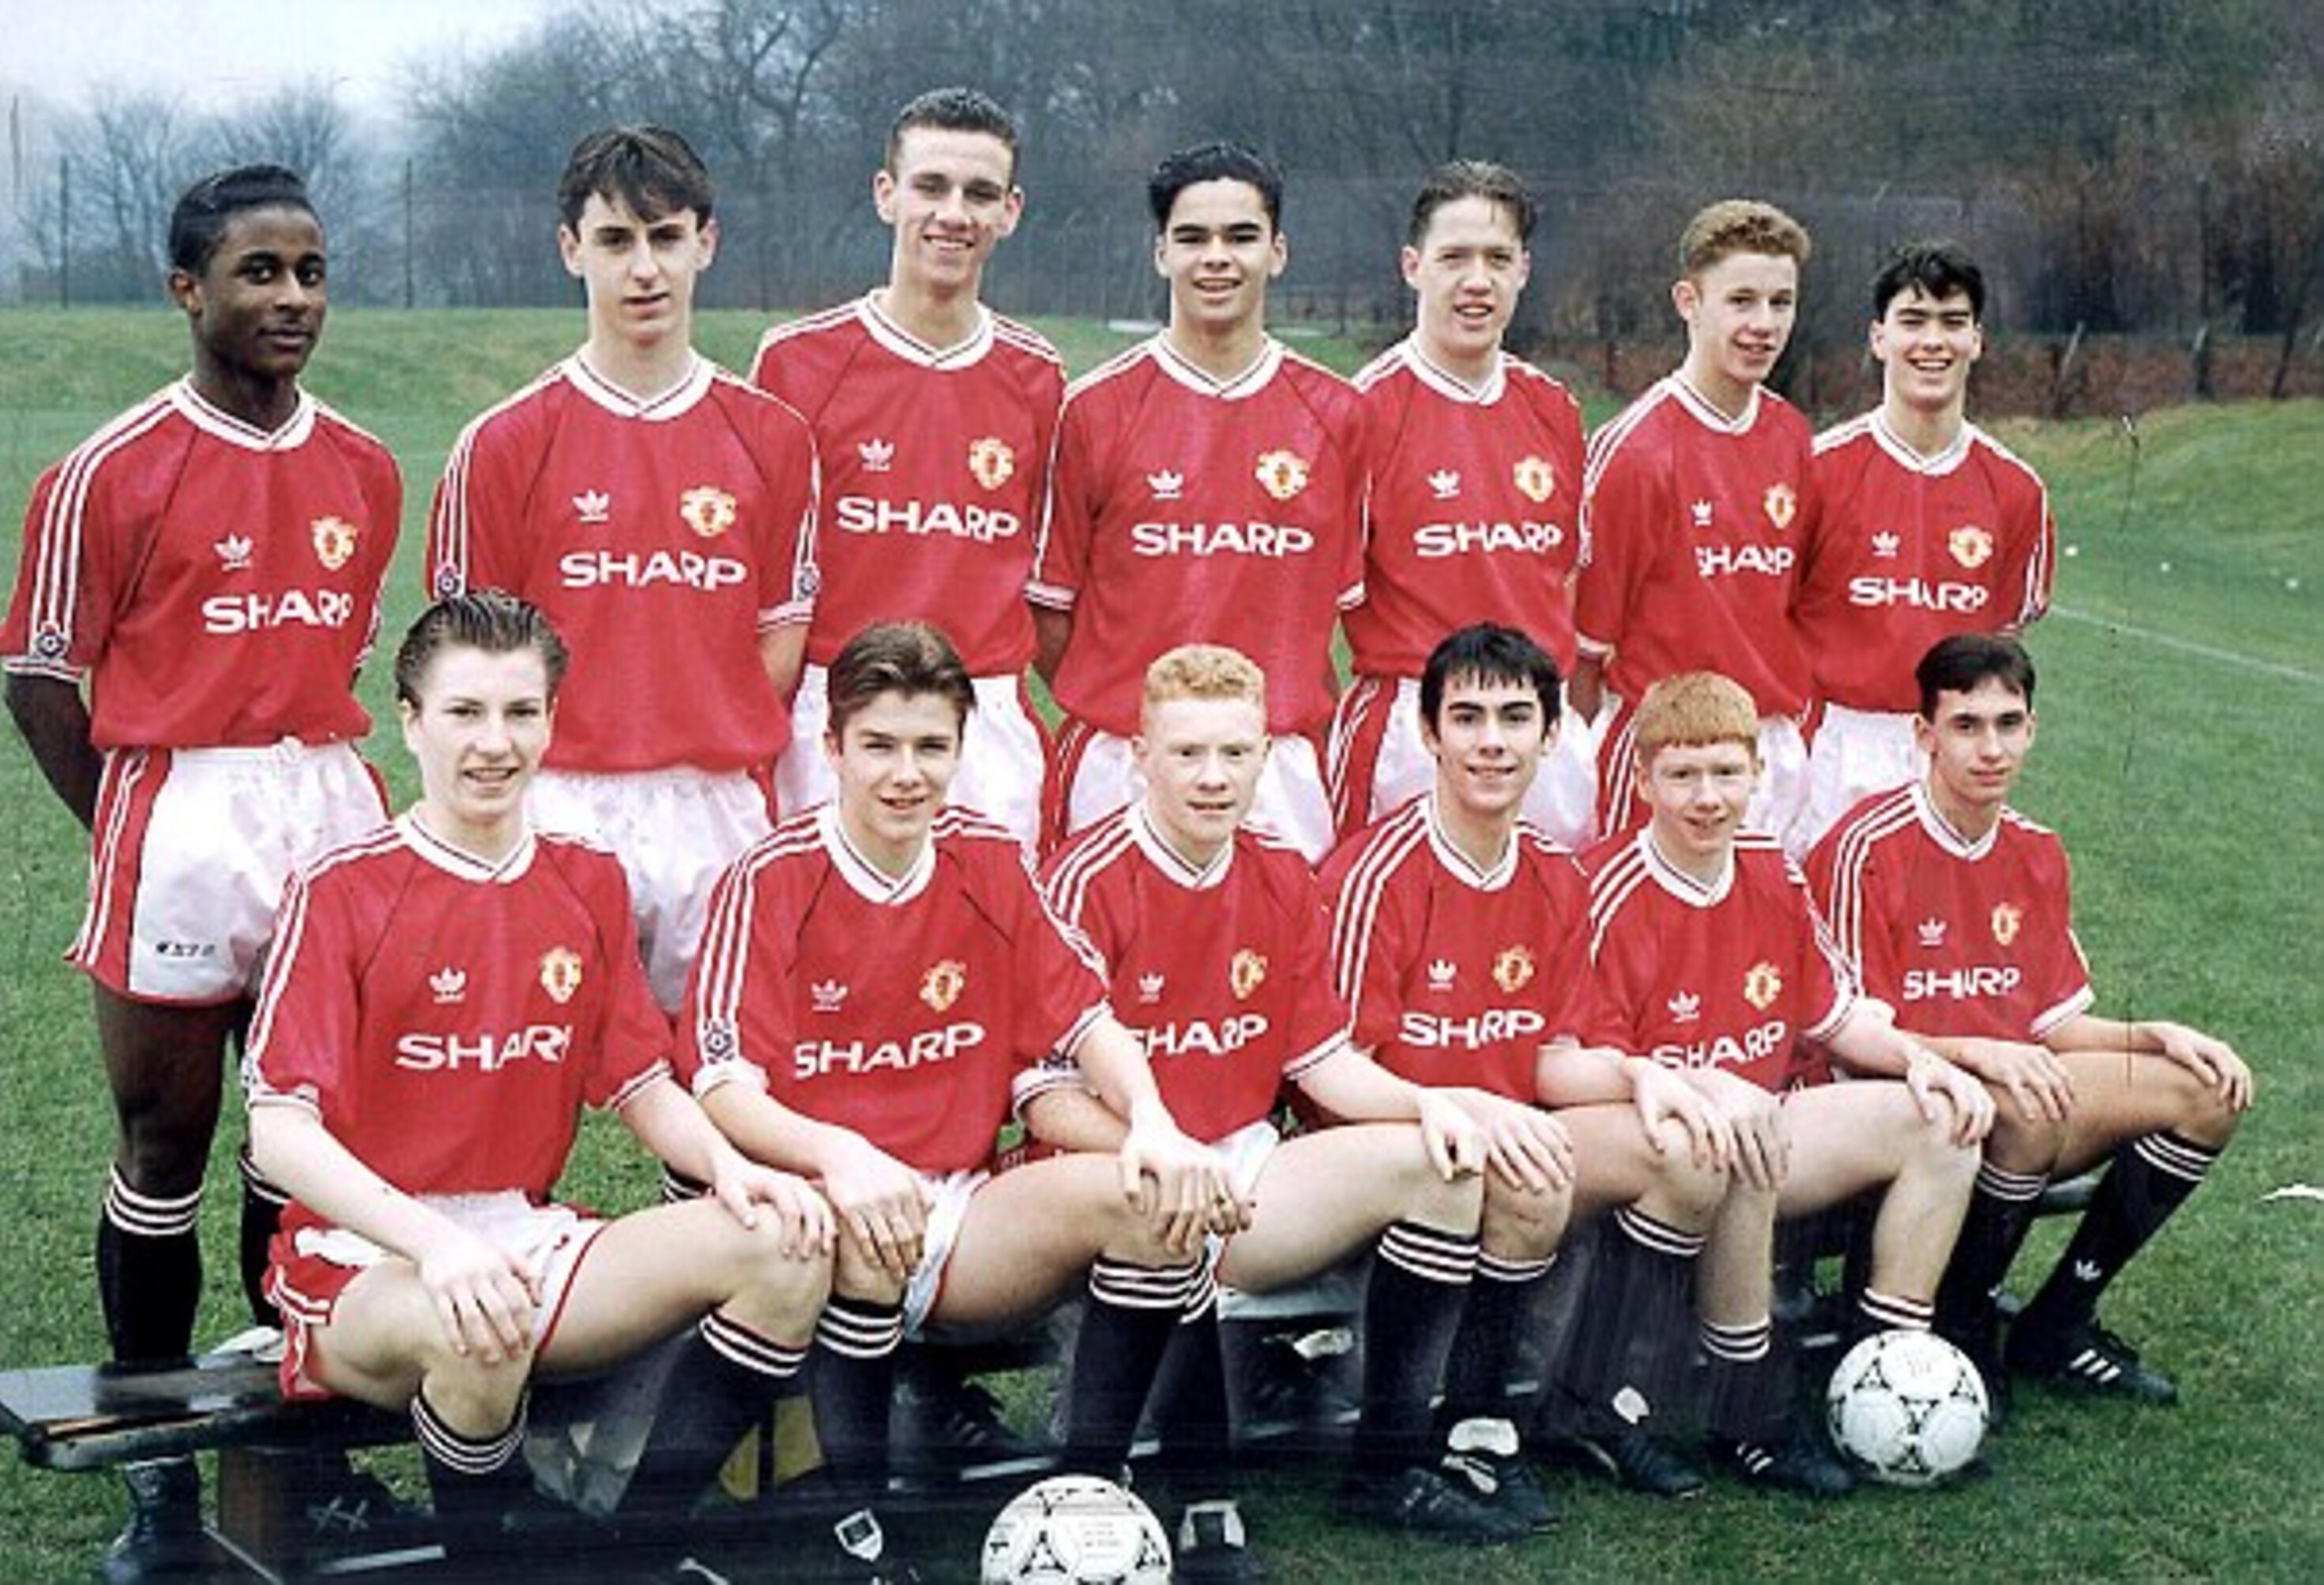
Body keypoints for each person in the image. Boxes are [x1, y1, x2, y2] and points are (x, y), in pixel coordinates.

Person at [0, 163, 403, 1579]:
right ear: (187, 290)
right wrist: (133, 830)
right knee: (165, 1145)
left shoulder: (364, 466)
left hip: (323, 802)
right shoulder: (107, 470)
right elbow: (39, 683)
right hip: (178, 808)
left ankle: (302, 1443)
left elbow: (347, 654)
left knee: (314, 1145)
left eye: (310, 272)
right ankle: (156, 1470)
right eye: (258, 273)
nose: (292, 298)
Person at [244, 592, 837, 1575]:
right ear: (410, 722)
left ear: (553, 721)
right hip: (364, 1259)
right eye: (465, 712)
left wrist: (731, 1167)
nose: (495, 742)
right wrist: (435, 1244)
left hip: (522, 1236)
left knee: (785, 1244)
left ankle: (630, 1553)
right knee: (478, 1324)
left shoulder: (585, 878)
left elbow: (641, 1078)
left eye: (521, 712)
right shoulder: (342, 886)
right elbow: (278, 1130)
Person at [684, 622, 1248, 1582]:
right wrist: (839, 1155)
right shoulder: (771, 876)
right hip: (806, 1209)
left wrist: (1153, 1122)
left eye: (931, 746)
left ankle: (1084, 1505)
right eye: (879, 744)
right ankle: (857, 1532)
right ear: (832, 746)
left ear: (959, 748)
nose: (906, 773)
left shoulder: (989, 860)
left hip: (957, 1208)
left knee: (1153, 1201)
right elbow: (723, 1086)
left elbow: (1087, 1019)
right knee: (865, 1229)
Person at [1032, 644, 1517, 1551]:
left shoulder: (1282, 873)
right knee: (1164, 1208)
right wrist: (1161, 1149)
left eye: (1234, 752)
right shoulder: (1081, 879)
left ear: (1265, 754)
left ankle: (1386, 1467)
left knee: (1442, 1166)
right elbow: (1045, 1098)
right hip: (1103, 1171)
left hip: (1242, 1167)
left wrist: (1426, 1104)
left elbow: (1321, 1059)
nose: (1213, 777)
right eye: (1187, 752)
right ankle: (1158, 1486)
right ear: (1139, 755)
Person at [1321, 624, 1730, 1513]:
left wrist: (1639, 1077)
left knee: (1687, 1149)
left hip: (1508, 1132)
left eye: (1515, 718)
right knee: (1520, 1171)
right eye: (1466, 717)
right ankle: (1435, 1436)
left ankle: (1583, 1402)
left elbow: (1550, 1059)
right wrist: (1458, 1106)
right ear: (1427, 733)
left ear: (1551, 734)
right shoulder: (1375, 873)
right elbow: (1332, 1075)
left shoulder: (1554, 873)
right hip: (1386, 1144)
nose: (1491, 741)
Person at [1570, 670, 1993, 1495]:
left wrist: (1921, 1059)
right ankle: (1747, 1408)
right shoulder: (1606, 888)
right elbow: (1588, 1068)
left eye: (1726, 772)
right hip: (1655, 1143)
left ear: (1758, 773)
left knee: (1940, 1120)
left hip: (1761, 1120)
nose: (1707, 797)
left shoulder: (1773, 872)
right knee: (1740, 1137)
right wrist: (1705, 1088)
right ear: (1642, 779)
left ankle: (1879, 1382)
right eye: (1682, 775)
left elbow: (1833, 1016)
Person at [428, 124, 817, 1017]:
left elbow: (780, 637)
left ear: (705, 243)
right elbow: (466, 663)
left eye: (665, 237)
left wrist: (694, 726)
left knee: (717, 1067)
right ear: (572, 249)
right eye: (614, 240)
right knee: (535, 1060)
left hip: (715, 805)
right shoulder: (503, 443)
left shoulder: (772, 437)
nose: (644, 269)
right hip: (554, 798)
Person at [1805, 634, 2251, 1407]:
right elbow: (1847, 1044)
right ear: (1923, 734)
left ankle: (2057, 1322)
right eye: (1966, 725)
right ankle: (1959, 1318)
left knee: (2204, 1089)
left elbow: (2053, 1026)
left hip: (2010, 1103)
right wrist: (1978, 1053)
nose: (1990, 749)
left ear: (2032, 729)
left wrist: (2153, 1035)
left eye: (2008, 724)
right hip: (1891, 1104)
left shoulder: (2034, 850)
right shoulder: (1864, 847)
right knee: (2028, 1102)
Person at [1031, 140, 1366, 861]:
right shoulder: (1094, 409)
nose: (1216, 257)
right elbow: (1050, 614)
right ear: (1161, 254)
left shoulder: (1338, 414)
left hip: (1274, 766)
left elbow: (1329, 621)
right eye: (1192, 238)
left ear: (1277, 252)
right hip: (1124, 761)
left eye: (1240, 237)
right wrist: (1137, 717)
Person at [753, 87, 1062, 850]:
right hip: (838, 704)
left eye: (979, 194)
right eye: (931, 186)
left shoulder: (1038, 376)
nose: (953, 213)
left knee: (989, 924)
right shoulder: (797, 363)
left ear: (1010, 212)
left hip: (982, 713)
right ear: (886, 194)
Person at [1332, 162, 1596, 851]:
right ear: (1412, 266)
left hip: (1537, 723)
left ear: (1523, 270)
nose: (1476, 280)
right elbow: (1314, 606)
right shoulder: (1360, 411)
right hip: (1413, 726)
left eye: (1496, 259)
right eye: (1454, 258)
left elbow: (1563, 578)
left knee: (1547, 909)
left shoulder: (1554, 410)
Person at [1787, 243, 2056, 854]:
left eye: (1952, 322)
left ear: (1976, 340)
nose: (1932, 341)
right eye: (1912, 321)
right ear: (1878, 338)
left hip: (1947, 752)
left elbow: (2002, 644)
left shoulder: (2016, 490)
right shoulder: (1817, 472)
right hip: (1830, 749)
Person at [1572, 201, 1817, 839]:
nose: (1763, 324)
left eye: (1780, 303)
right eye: (1740, 301)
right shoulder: (1637, 450)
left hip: (1768, 751)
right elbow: (1585, 653)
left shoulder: (1792, 436)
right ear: (1689, 302)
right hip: (1669, 754)